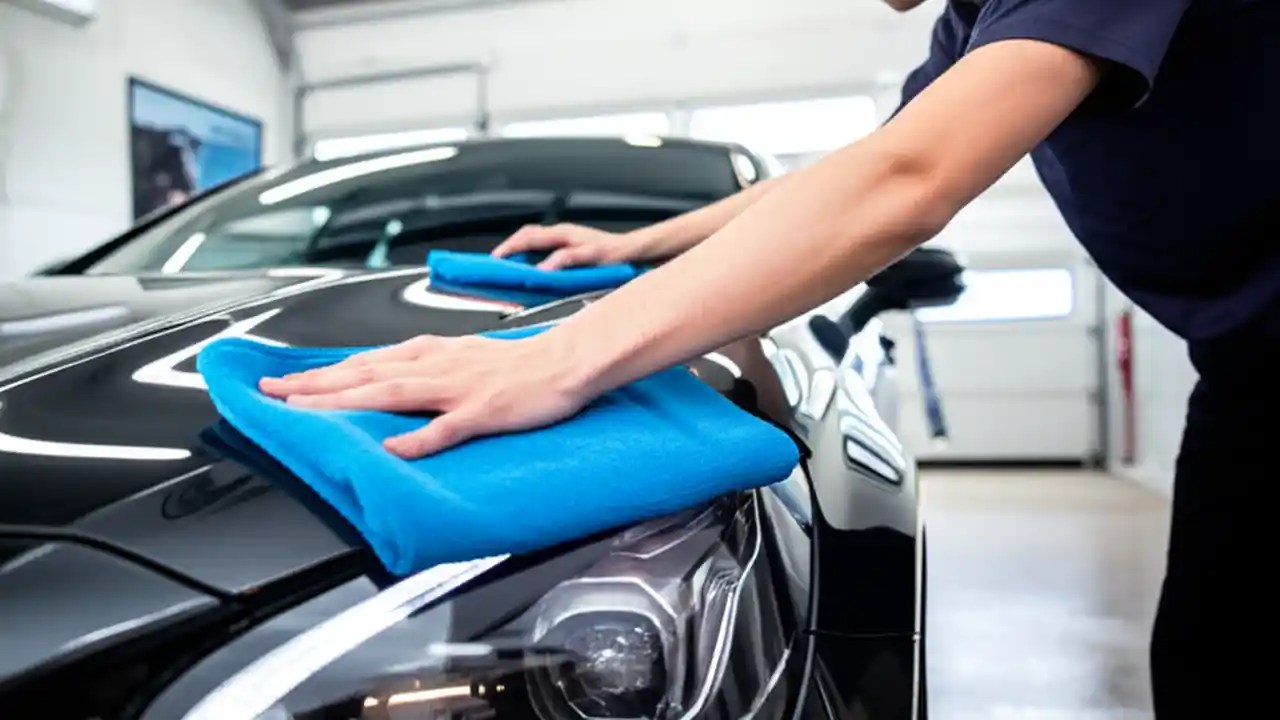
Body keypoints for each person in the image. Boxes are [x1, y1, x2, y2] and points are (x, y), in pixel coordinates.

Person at [262, 1, 1277, 715]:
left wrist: (562, 358)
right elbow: (846, 173)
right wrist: (634, 247)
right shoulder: (974, 22)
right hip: (1245, 360)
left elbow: (906, 181)